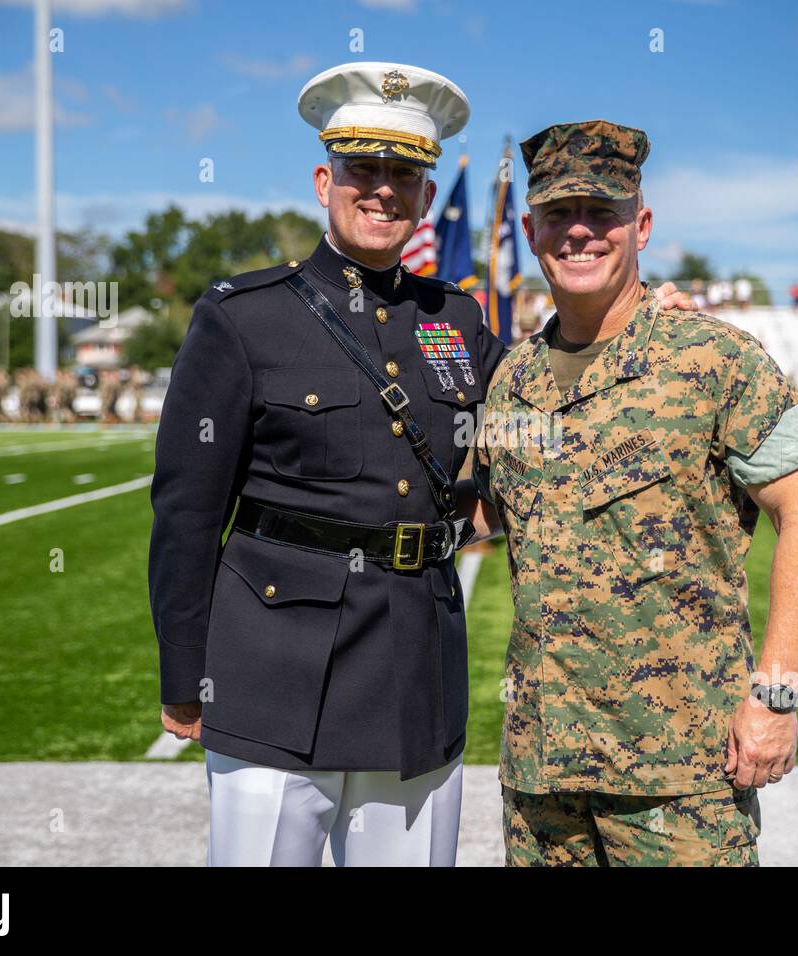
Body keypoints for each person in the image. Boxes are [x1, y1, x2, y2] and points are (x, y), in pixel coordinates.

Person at [150, 61, 499, 868]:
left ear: (425, 197)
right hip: (273, 671)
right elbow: (189, 510)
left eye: (403, 174)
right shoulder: (244, 317)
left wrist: (641, 320)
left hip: (414, 674)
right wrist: (182, 672)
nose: (382, 189)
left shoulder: (455, 317)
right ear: (323, 179)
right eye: (362, 169)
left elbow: (546, 399)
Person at [473, 120, 798, 867]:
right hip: (543, 777)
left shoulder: (713, 357)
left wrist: (773, 700)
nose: (580, 232)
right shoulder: (512, 379)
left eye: (602, 213)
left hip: (680, 778)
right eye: (558, 214)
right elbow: (491, 515)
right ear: (529, 229)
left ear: (640, 225)